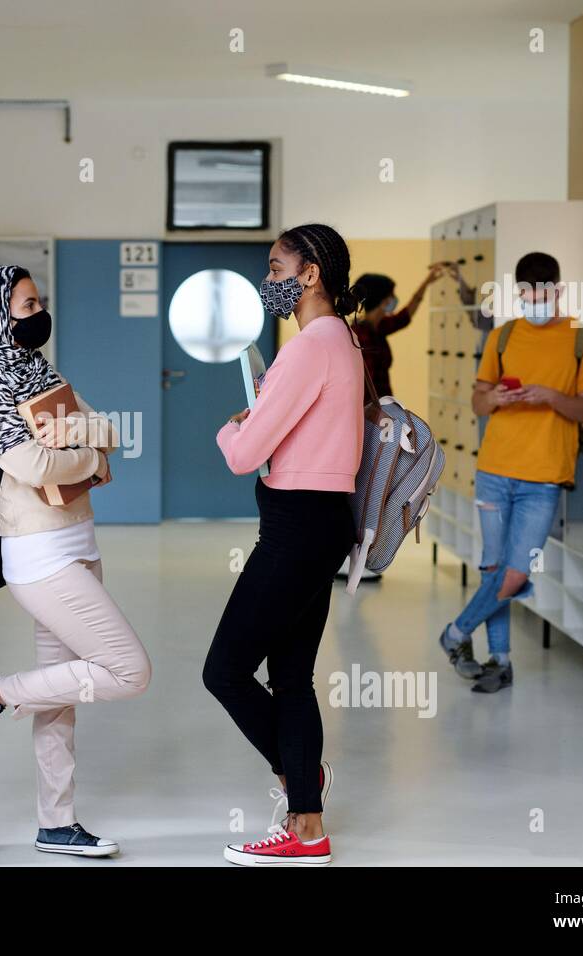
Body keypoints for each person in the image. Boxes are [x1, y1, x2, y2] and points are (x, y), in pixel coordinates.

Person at [0, 265, 150, 858]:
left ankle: (56, 823)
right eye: (25, 304)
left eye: (38, 300)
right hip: (38, 553)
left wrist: (80, 442)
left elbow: (106, 428)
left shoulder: (41, 371)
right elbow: (37, 468)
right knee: (127, 670)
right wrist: (89, 459)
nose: (37, 313)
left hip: (79, 541)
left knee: (64, 695)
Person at [203, 223, 364, 867]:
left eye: (276, 268)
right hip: (321, 524)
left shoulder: (309, 347)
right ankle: (308, 828)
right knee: (291, 678)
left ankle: (303, 788)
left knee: (225, 670)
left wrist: (233, 424)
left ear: (310, 273)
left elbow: (245, 455)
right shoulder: (341, 340)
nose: (268, 280)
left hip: (296, 529)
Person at [438, 252, 583, 693]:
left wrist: (550, 396)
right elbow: (478, 400)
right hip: (495, 468)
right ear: (520, 294)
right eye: (528, 295)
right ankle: (501, 662)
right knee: (495, 571)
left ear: (559, 291)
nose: (536, 302)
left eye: (544, 294)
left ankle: (454, 634)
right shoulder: (503, 336)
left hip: (545, 476)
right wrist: (496, 401)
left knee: (516, 573)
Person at [349, 263, 446, 399]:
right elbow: (366, 383)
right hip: (373, 411)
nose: (394, 298)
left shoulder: (378, 327)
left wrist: (427, 283)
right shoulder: (361, 334)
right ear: (382, 301)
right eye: (391, 295)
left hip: (384, 406)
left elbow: (404, 317)